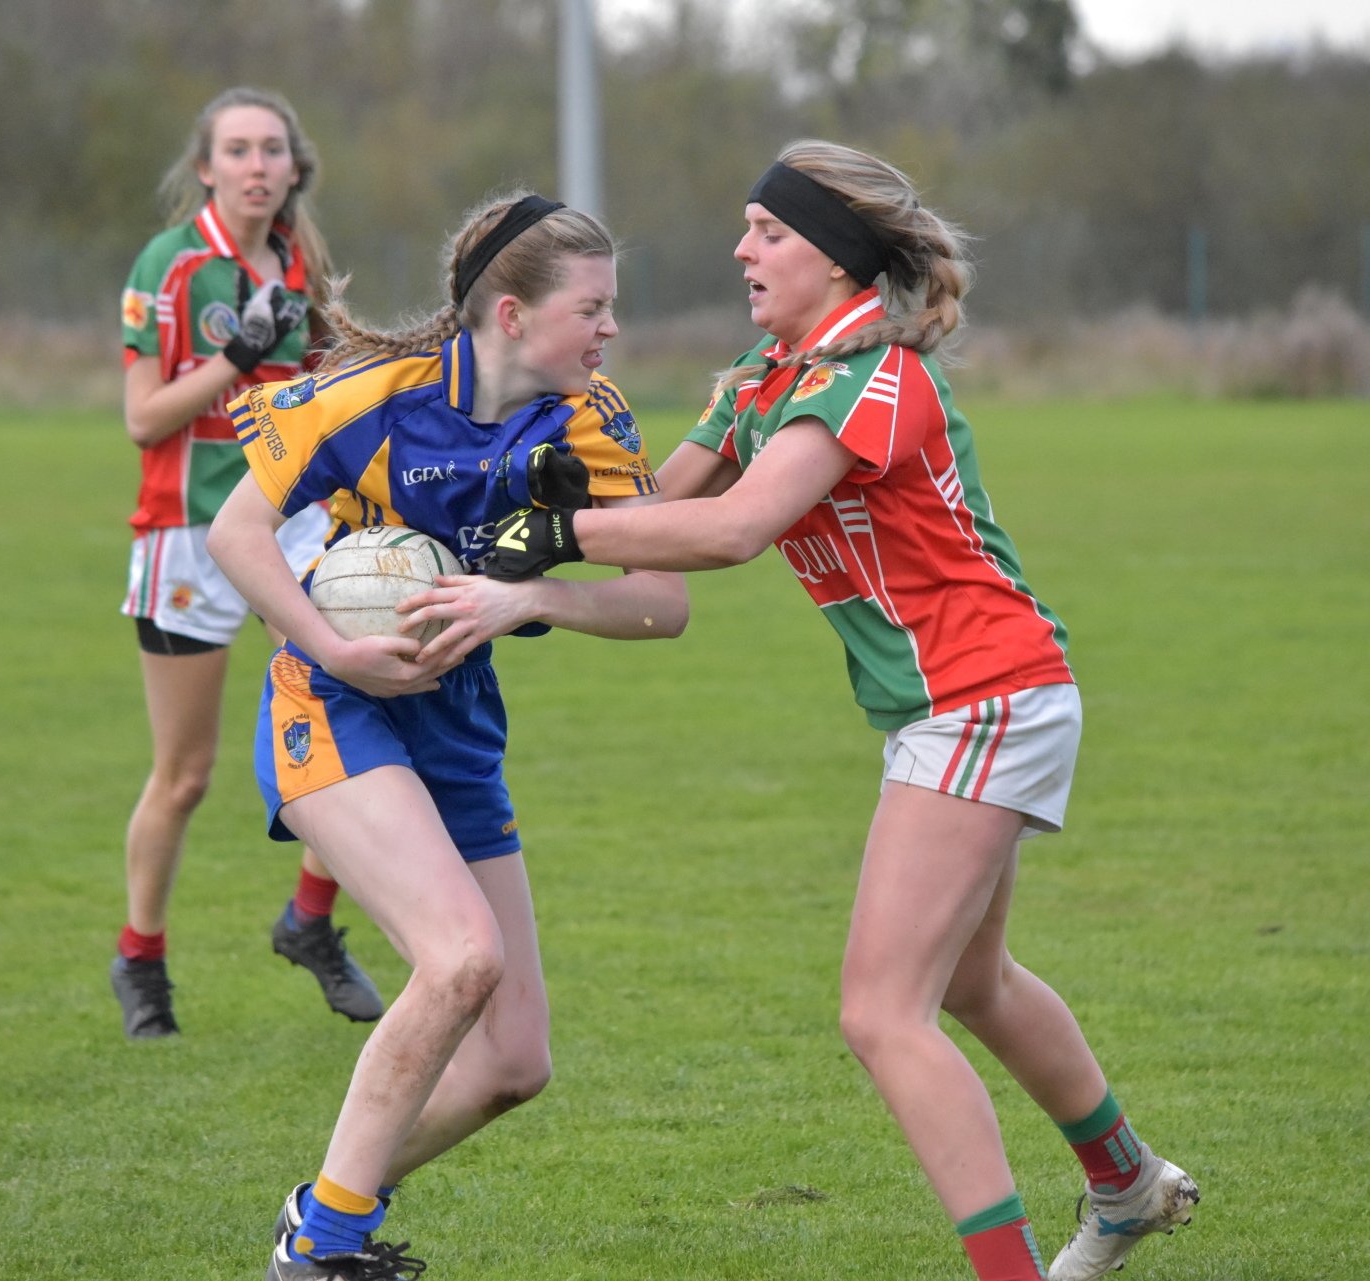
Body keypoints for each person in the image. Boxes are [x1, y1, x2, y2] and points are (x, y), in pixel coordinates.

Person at [479, 141, 1200, 1281]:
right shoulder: (768, 370)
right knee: (970, 984)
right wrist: (536, 485)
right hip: (968, 700)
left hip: (983, 693)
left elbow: (732, 530)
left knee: (882, 1013)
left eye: (767, 230)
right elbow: (663, 501)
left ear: (838, 256)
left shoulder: (876, 376)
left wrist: (562, 537)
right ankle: (1126, 1183)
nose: (742, 249)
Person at [209, 190, 686, 1280]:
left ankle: (319, 1209)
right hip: (334, 703)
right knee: (461, 959)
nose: (611, 329)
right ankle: (321, 1253)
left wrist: (531, 600)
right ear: (511, 316)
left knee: (515, 1062)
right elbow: (236, 535)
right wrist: (335, 650)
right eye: (593, 307)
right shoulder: (377, 396)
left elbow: (666, 599)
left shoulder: (588, 417)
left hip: (458, 719)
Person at [113, 87, 384, 1039]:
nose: (259, 166)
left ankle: (310, 919)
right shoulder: (171, 265)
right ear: (207, 166)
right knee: (185, 774)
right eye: (239, 150)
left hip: (291, 521)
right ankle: (140, 961)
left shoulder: (301, 260)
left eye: (273, 149)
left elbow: (323, 389)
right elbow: (144, 418)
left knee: (360, 718)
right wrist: (243, 358)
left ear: (294, 165)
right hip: (185, 530)